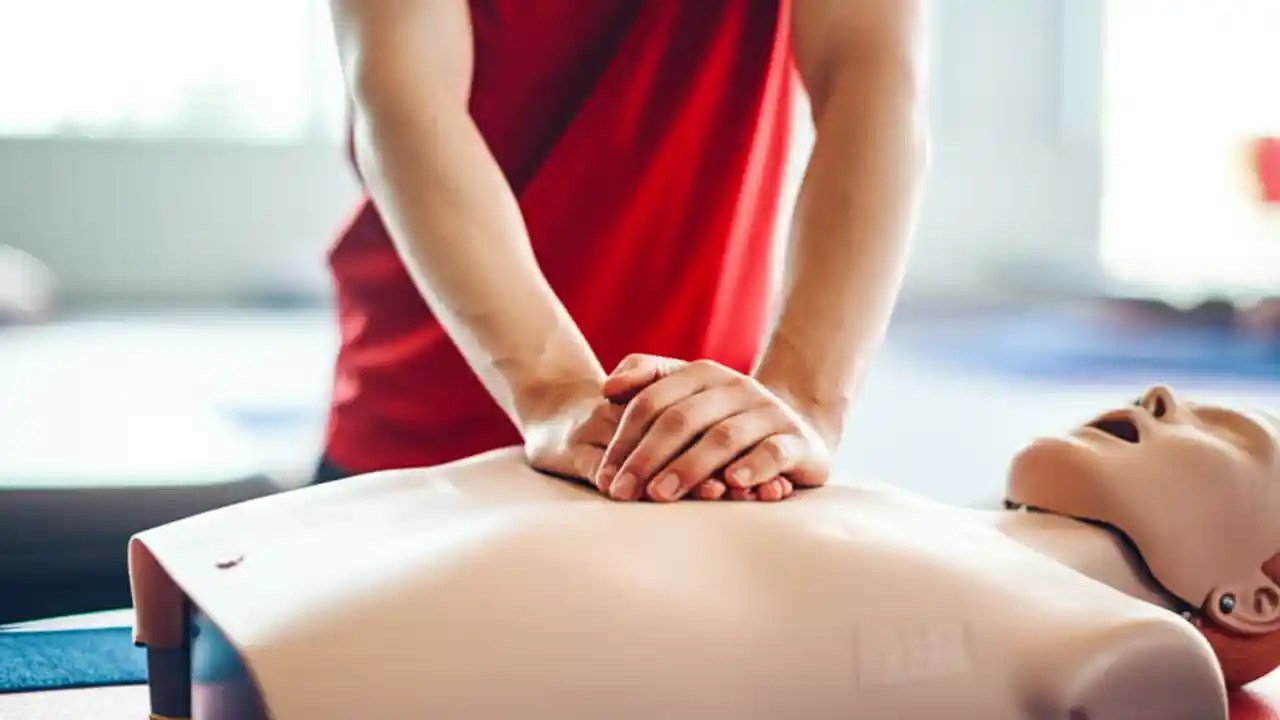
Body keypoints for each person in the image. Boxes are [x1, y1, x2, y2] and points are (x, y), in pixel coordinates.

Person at [130, 386, 1280, 719]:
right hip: (272, 584)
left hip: (332, 662)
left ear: (1256, 593)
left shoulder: (1125, 648)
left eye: (1229, 433)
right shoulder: (916, 514)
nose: (1162, 392)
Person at [318, 0, 928, 503]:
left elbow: (870, 75)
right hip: (423, 423)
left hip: (703, 445)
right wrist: (551, 388)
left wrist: (803, 401)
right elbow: (401, 91)